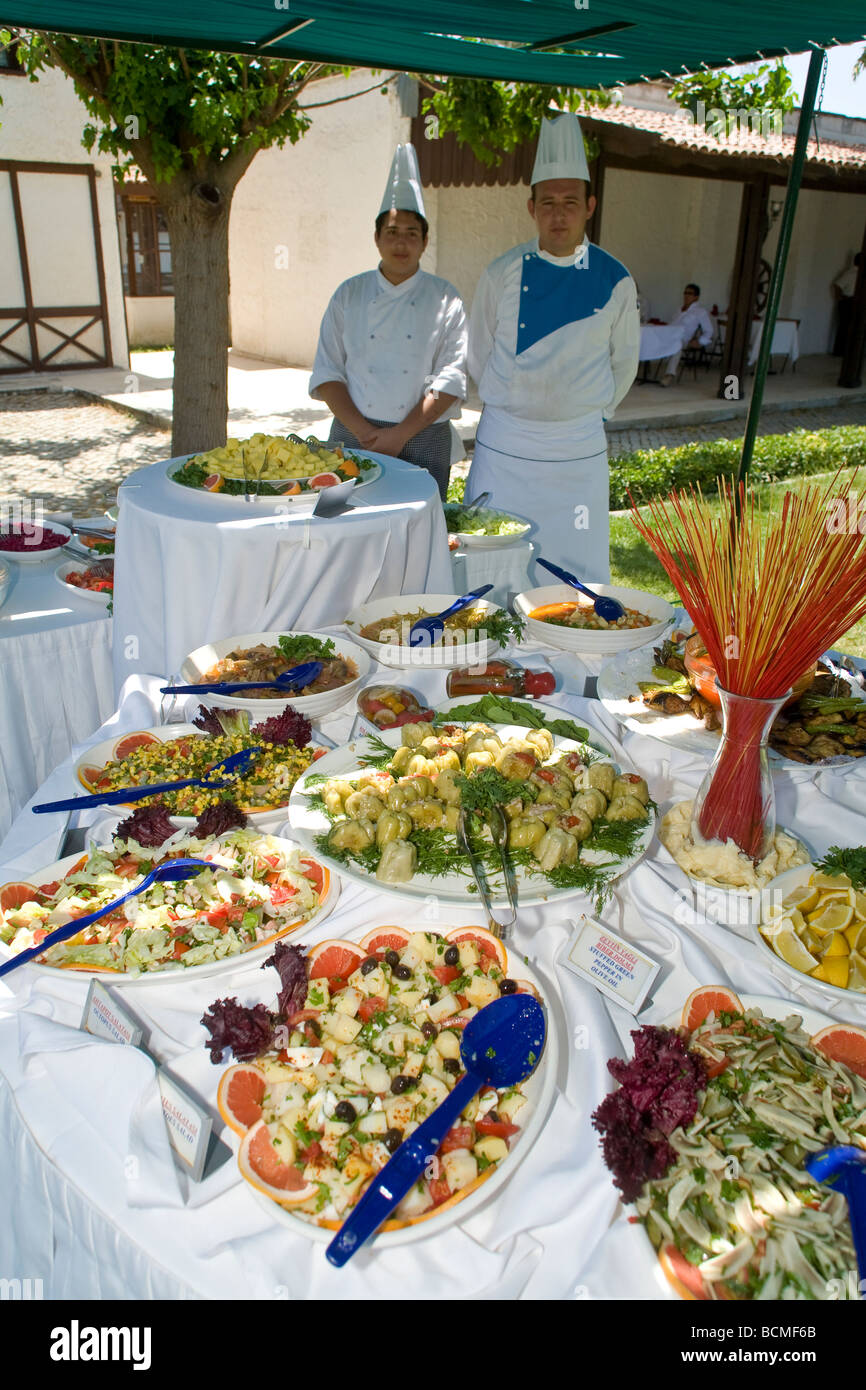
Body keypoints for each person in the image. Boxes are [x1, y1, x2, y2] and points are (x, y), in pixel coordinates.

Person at [466, 113, 639, 582]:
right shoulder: (501, 273)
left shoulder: (615, 278)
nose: (558, 214)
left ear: (590, 205)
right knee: (492, 561)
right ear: (531, 208)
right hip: (504, 449)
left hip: (576, 453)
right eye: (547, 203)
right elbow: (479, 353)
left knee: (575, 566)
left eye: (569, 202)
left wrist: (585, 414)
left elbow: (624, 363)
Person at [309, 144, 467, 500]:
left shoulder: (446, 298)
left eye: (412, 233)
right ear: (377, 238)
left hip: (425, 435)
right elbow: (329, 372)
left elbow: (451, 379)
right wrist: (364, 432)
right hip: (352, 432)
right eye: (393, 231)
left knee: (420, 532)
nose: (402, 242)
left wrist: (399, 435)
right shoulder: (349, 294)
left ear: (425, 241)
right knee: (345, 524)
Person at [660, 284, 715, 385]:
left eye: (689, 293)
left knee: (677, 345)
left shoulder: (700, 312)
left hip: (683, 340)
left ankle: (669, 375)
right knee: (649, 336)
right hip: (669, 335)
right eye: (685, 293)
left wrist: (700, 342)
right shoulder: (679, 309)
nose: (686, 295)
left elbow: (709, 330)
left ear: (696, 297)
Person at [833, 253, 861, 357]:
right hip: (848, 302)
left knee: (851, 328)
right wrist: (839, 297)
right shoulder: (851, 273)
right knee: (845, 327)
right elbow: (837, 285)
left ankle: (848, 352)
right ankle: (840, 352)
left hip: (853, 302)